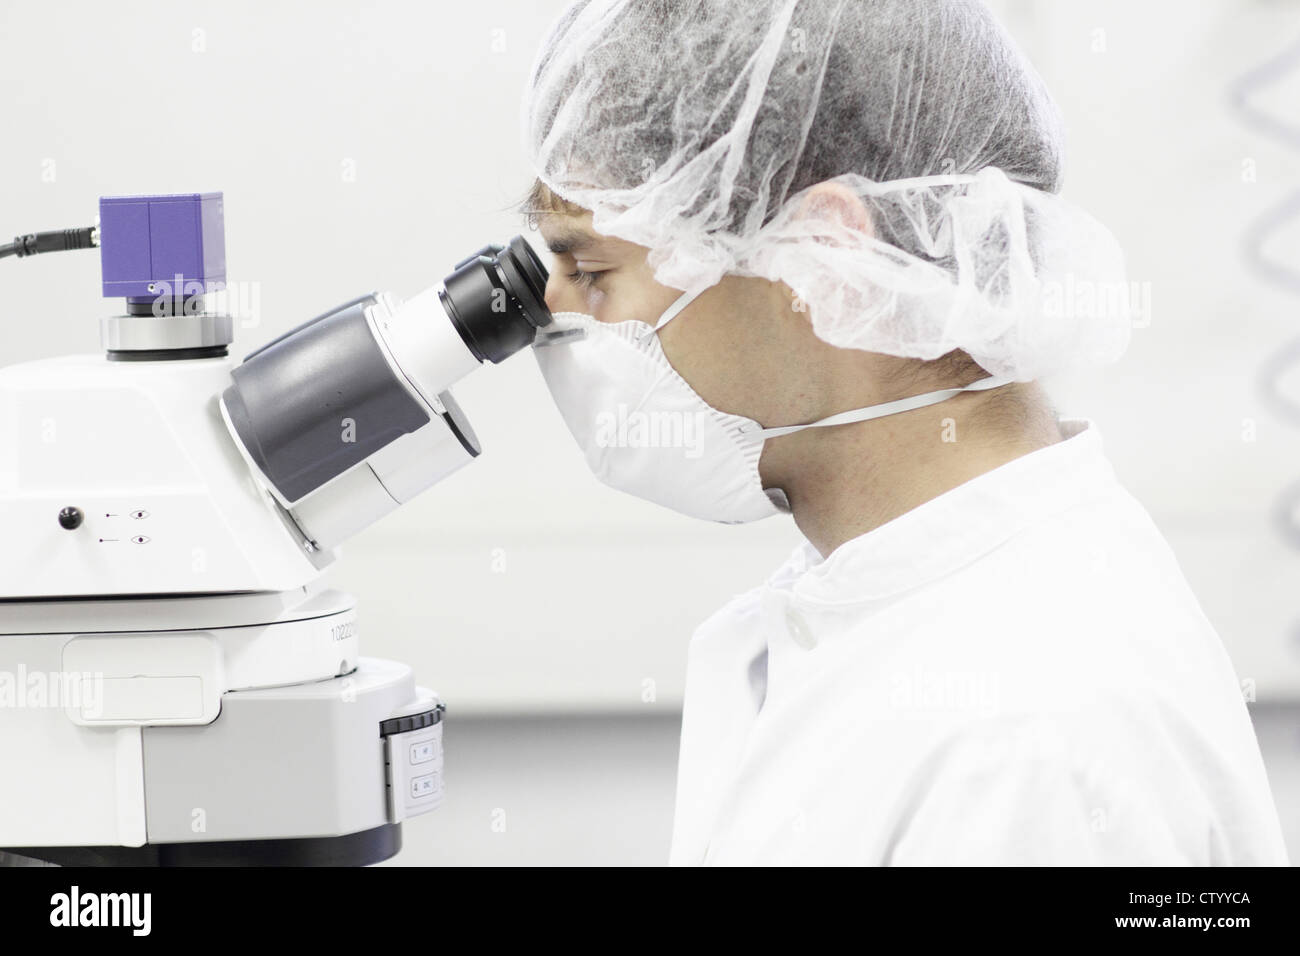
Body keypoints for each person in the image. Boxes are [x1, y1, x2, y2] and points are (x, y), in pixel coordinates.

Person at [519, 0, 1291, 865]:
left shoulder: (1026, 746)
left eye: (592, 269)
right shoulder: (894, 608)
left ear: (826, 264)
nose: (560, 316)